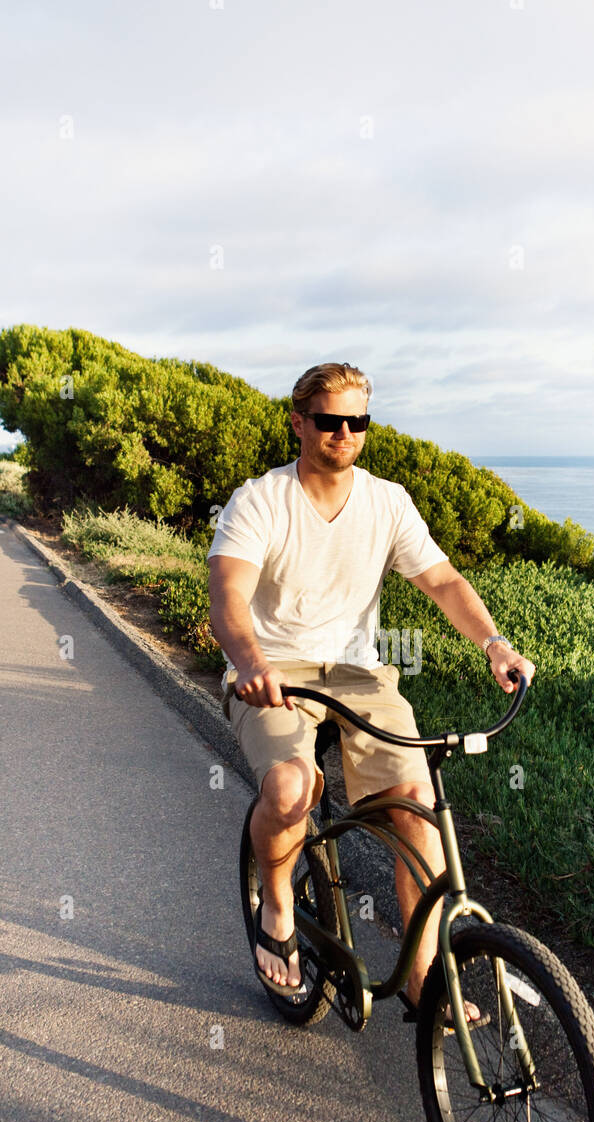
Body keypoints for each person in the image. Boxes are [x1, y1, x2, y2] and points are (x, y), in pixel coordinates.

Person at [207, 362, 535, 1017]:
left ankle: (420, 978)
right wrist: (248, 661)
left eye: (358, 421)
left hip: (359, 674)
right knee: (291, 790)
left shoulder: (387, 501)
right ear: (298, 423)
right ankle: (275, 903)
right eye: (329, 421)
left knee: (418, 808)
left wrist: (493, 643)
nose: (344, 433)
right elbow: (228, 596)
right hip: (273, 672)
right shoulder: (260, 500)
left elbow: (442, 581)